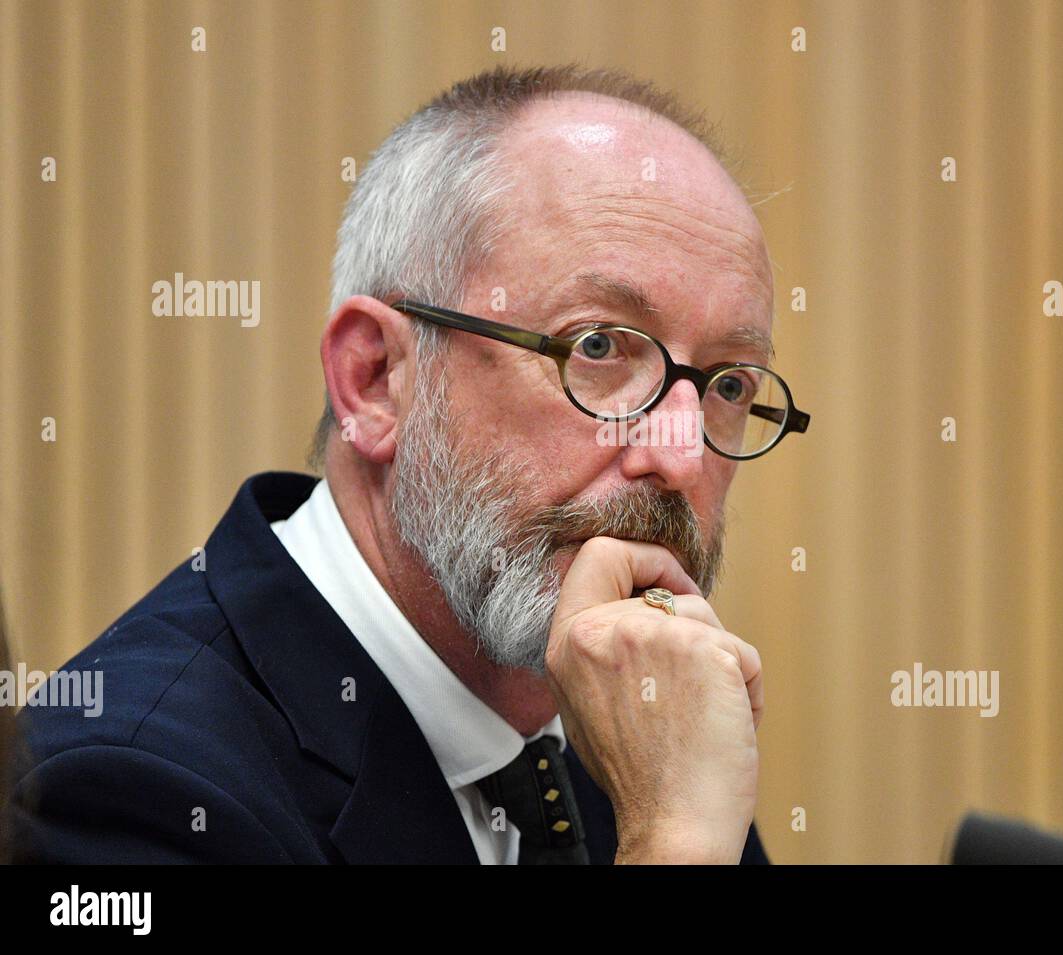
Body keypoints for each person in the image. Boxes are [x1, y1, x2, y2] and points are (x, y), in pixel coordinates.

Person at [9, 63, 809, 864]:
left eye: (729, 383)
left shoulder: (647, 726)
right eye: (595, 346)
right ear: (375, 379)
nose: (680, 454)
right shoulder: (132, 787)